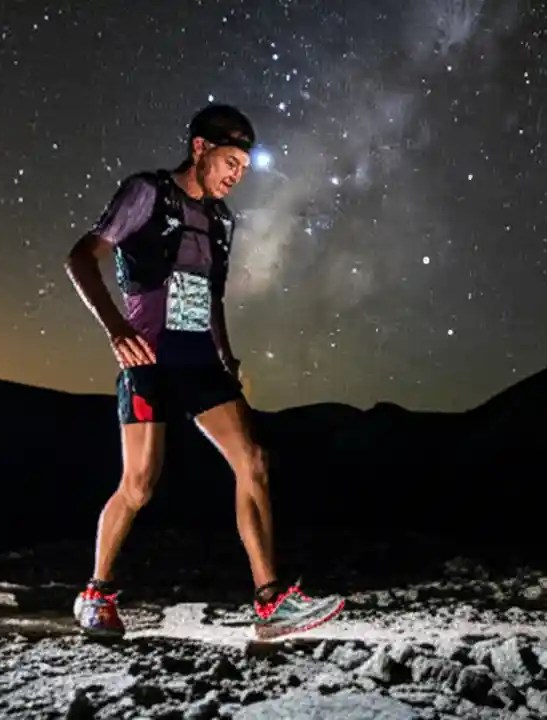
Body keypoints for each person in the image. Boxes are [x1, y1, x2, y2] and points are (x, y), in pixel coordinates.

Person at [64, 104, 344, 640]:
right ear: (199, 148)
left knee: (253, 459)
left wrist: (226, 354)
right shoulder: (146, 191)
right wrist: (115, 330)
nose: (236, 175)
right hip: (148, 359)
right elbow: (81, 257)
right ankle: (94, 594)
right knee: (140, 485)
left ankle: (270, 602)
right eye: (229, 161)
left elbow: (212, 296)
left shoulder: (221, 220)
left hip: (199, 360)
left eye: (243, 166)